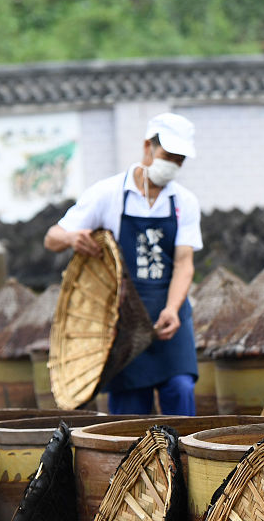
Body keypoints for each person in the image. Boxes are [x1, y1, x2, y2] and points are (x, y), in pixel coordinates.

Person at [44, 113, 203, 415]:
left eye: (180, 160)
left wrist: (172, 308)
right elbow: (52, 238)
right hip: (124, 322)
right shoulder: (108, 194)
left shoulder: (184, 202)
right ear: (148, 148)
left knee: (180, 388)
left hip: (169, 313)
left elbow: (184, 263)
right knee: (130, 411)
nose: (174, 165)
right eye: (169, 156)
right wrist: (72, 238)